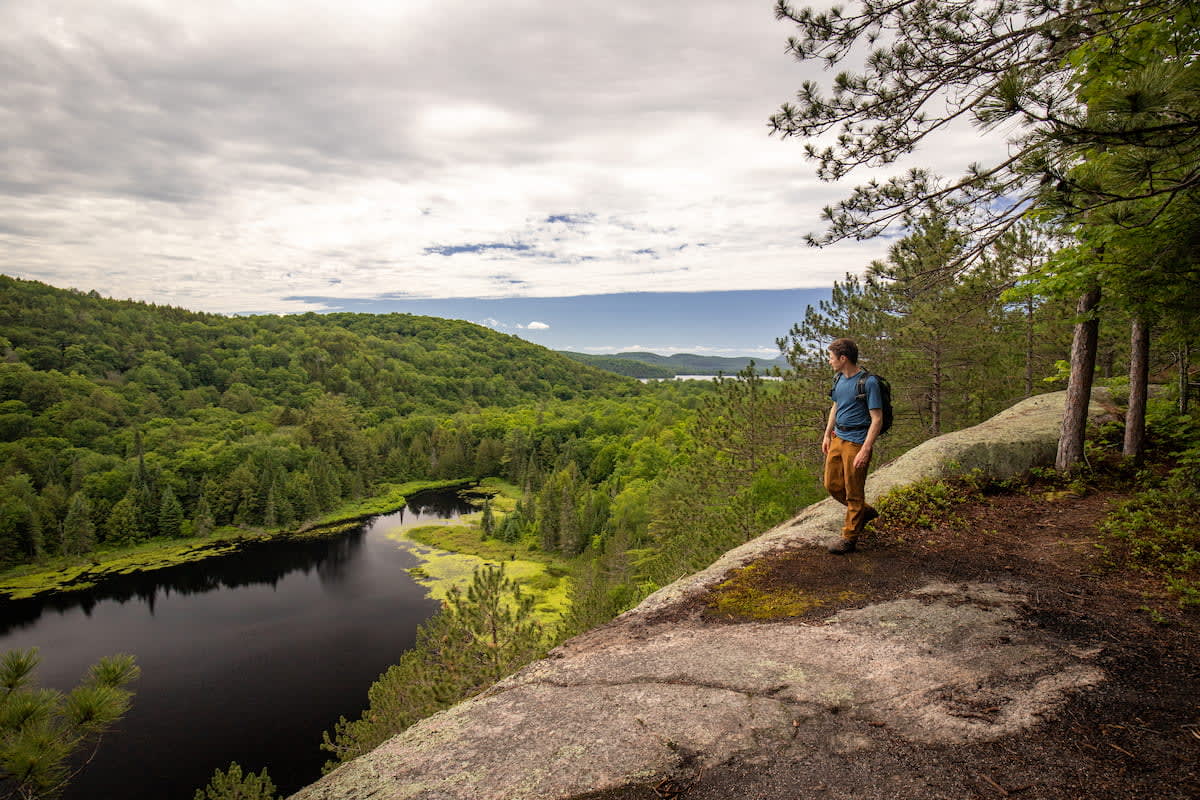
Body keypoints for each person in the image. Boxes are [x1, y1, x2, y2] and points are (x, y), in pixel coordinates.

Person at [821, 338, 883, 554]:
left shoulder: (869, 382)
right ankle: (864, 513)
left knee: (854, 491)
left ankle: (849, 538)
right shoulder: (838, 379)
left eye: (831, 357)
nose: (829, 361)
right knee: (832, 485)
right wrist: (828, 434)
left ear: (843, 358)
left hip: (857, 442)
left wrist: (865, 449)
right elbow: (835, 406)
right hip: (838, 437)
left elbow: (877, 419)